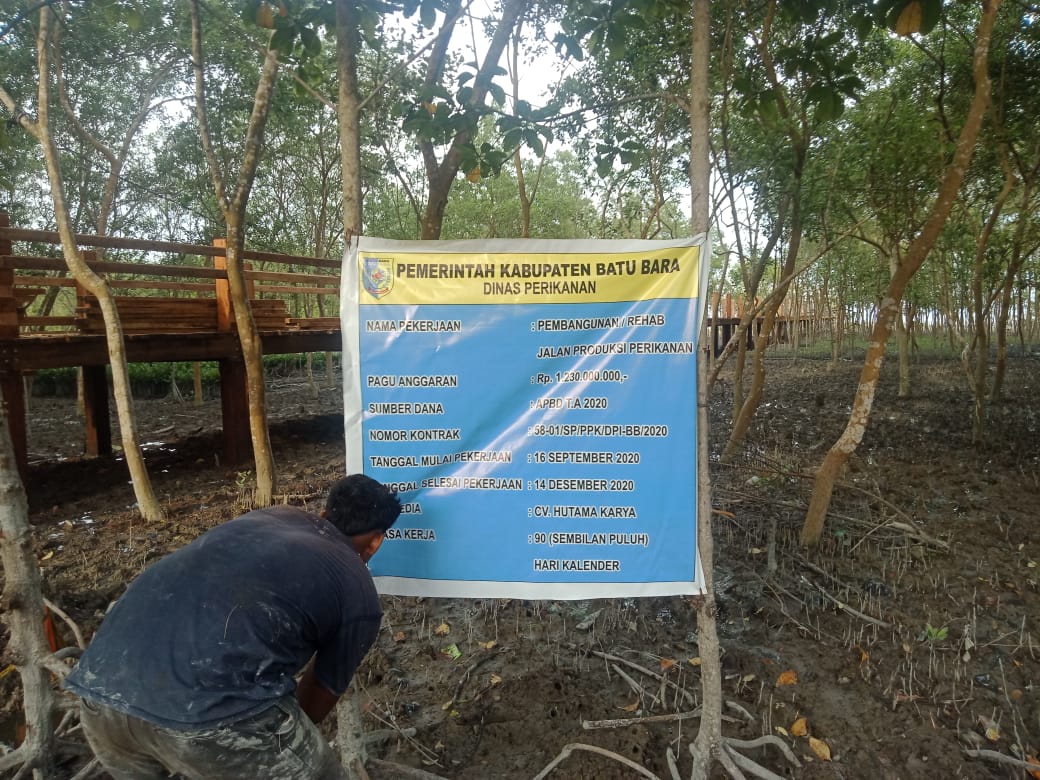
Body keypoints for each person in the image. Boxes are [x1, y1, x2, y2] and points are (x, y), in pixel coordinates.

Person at [63, 474, 401, 780]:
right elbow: (319, 692)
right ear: (375, 542)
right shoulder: (358, 591)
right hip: (205, 713)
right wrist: (278, 751)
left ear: (326, 513)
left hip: (101, 693)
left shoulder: (269, 517)